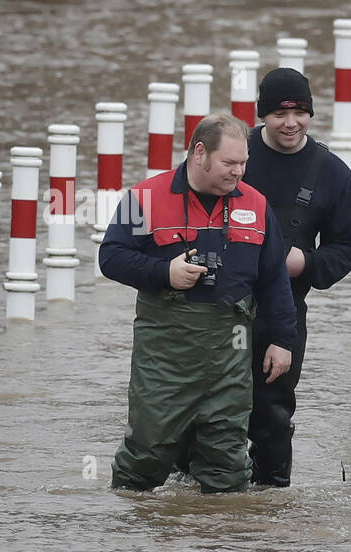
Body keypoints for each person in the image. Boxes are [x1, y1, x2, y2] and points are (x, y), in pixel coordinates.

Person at [180, 67, 351, 487]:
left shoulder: (332, 172)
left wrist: (306, 263)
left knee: (272, 414)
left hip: (282, 312)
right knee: (200, 409)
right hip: (214, 307)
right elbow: (183, 200)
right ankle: (193, 503)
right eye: (280, 114)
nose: (291, 123)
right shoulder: (234, 156)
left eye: (300, 112)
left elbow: (348, 247)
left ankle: (270, 504)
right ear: (263, 115)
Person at [100, 113, 297, 493]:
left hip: (230, 355)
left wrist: (281, 340)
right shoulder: (142, 198)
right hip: (164, 356)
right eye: (229, 163)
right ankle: (130, 542)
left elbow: (274, 279)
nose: (238, 172)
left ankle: (216, 544)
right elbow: (110, 258)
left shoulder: (256, 205)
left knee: (226, 465)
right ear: (200, 153)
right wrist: (164, 273)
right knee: (146, 453)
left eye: (243, 163)